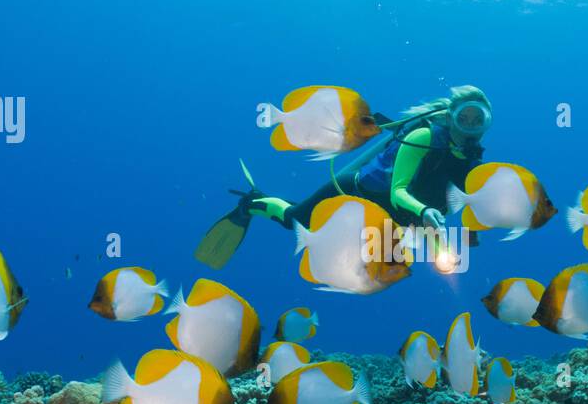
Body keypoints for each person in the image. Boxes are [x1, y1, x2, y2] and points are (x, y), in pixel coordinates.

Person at [195, 85, 492, 270]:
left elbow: (438, 211)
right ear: (451, 116)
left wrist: (445, 251)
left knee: (381, 264)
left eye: (477, 120)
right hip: (356, 195)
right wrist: (425, 212)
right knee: (296, 221)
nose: (469, 126)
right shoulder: (423, 136)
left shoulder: (470, 162)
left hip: (393, 222)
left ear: (485, 124)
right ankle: (253, 202)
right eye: (463, 117)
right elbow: (398, 191)